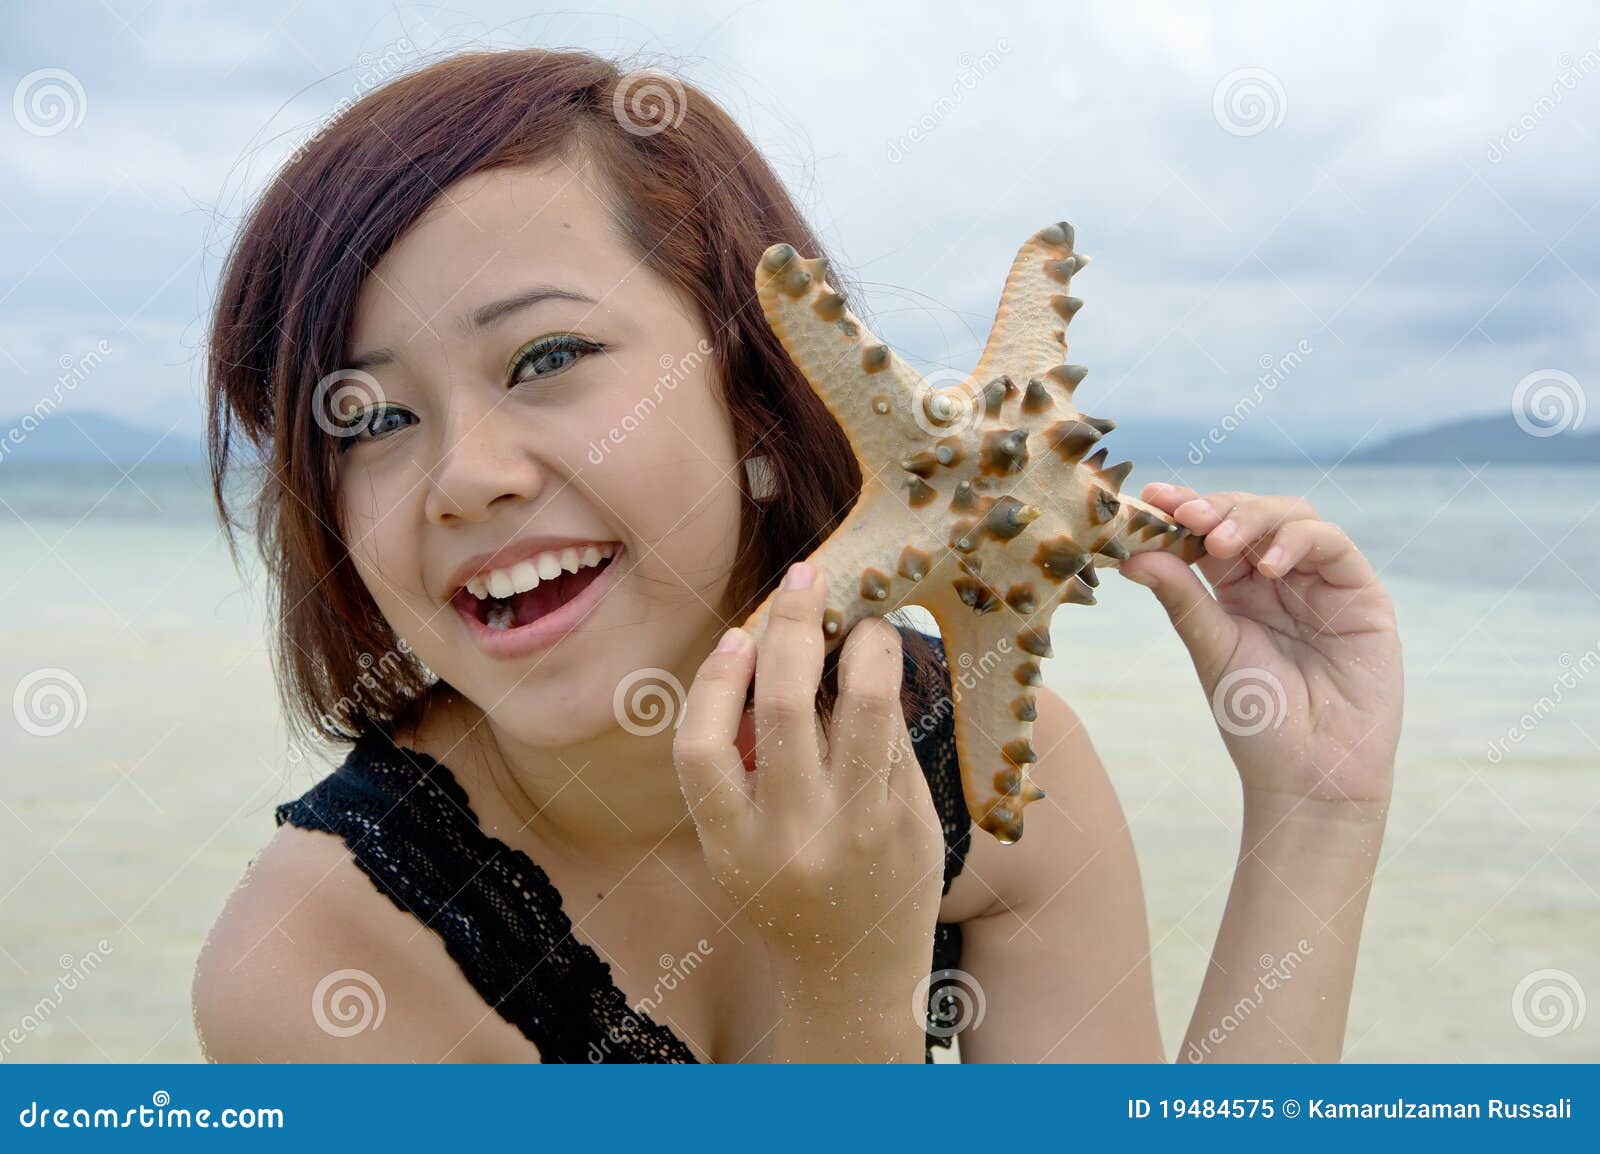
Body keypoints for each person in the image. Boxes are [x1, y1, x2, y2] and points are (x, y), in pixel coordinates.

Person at [192, 48, 1403, 1063]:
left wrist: (1317, 808)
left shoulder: (988, 780)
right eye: (371, 418)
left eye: (548, 358)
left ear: (758, 408)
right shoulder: (313, 964)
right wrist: (841, 993)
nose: (467, 474)